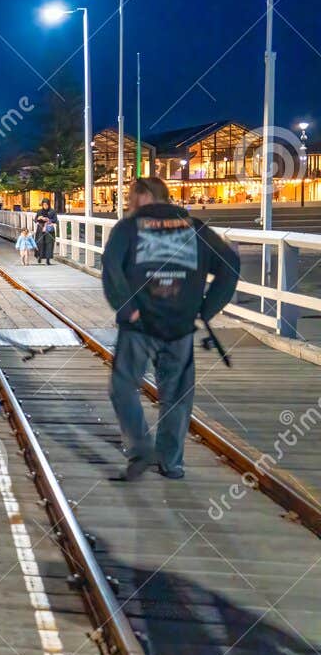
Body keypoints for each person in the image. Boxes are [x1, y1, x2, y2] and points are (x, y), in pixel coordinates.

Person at [101, 177, 240, 481]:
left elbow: (110, 267)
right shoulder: (195, 228)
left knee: (123, 388)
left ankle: (140, 449)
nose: (129, 205)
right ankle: (171, 462)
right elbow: (229, 264)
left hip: (139, 325)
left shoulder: (128, 228)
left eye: (131, 199)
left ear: (140, 199)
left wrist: (127, 307)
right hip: (179, 325)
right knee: (176, 395)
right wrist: (206, 308)